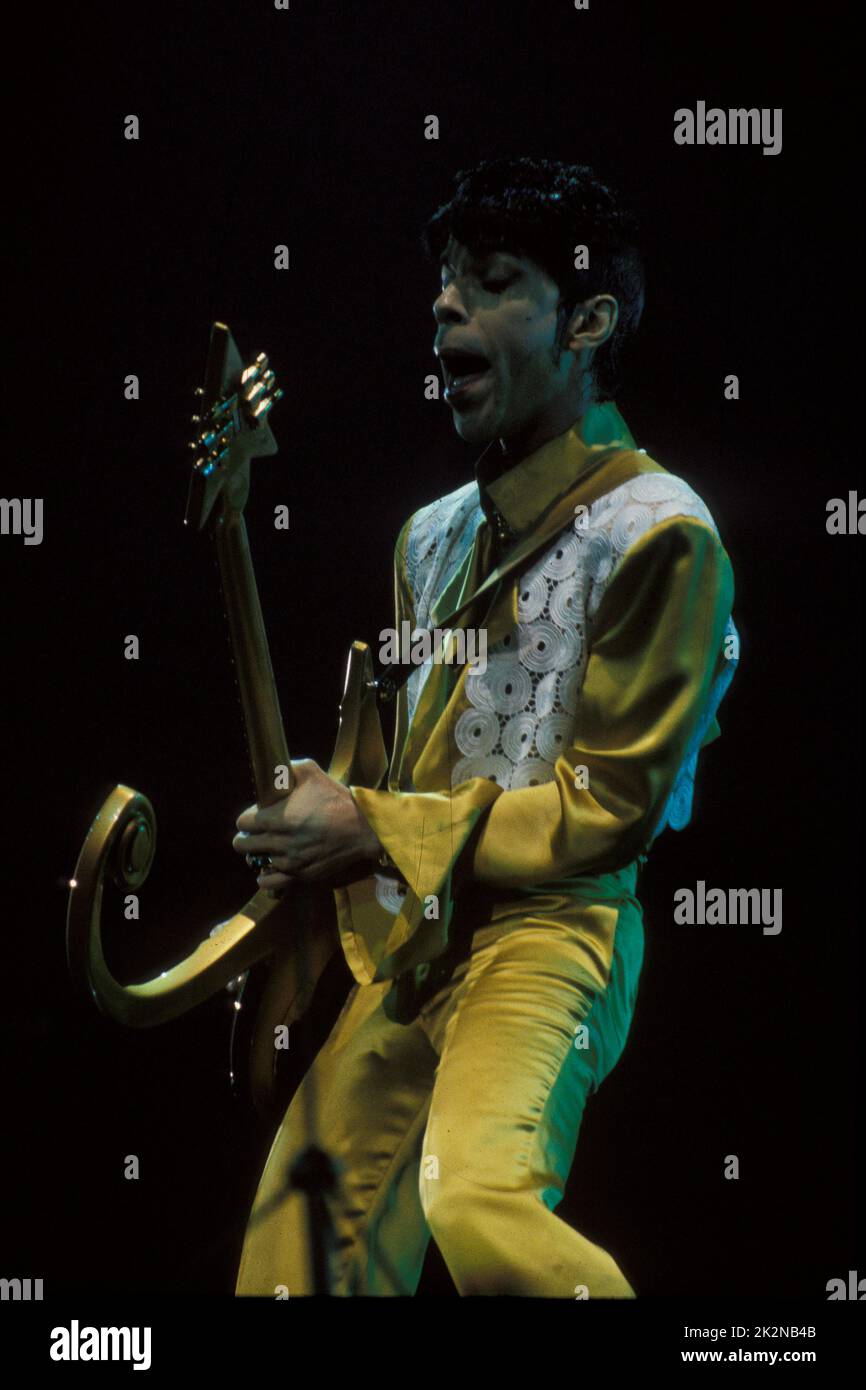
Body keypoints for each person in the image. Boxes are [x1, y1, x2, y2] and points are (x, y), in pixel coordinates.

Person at [231, 156, 738, 1297]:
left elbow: (606, 811)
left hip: (554, 934)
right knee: (291, 1248)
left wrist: (369, 823)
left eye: (493, 282)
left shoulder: (659, 533)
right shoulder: (430, 536)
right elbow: (407, 760)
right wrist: (325, 801)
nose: (445, 306)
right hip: (415, 941)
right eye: (445, 285)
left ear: (585, 321)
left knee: (477, 1199)